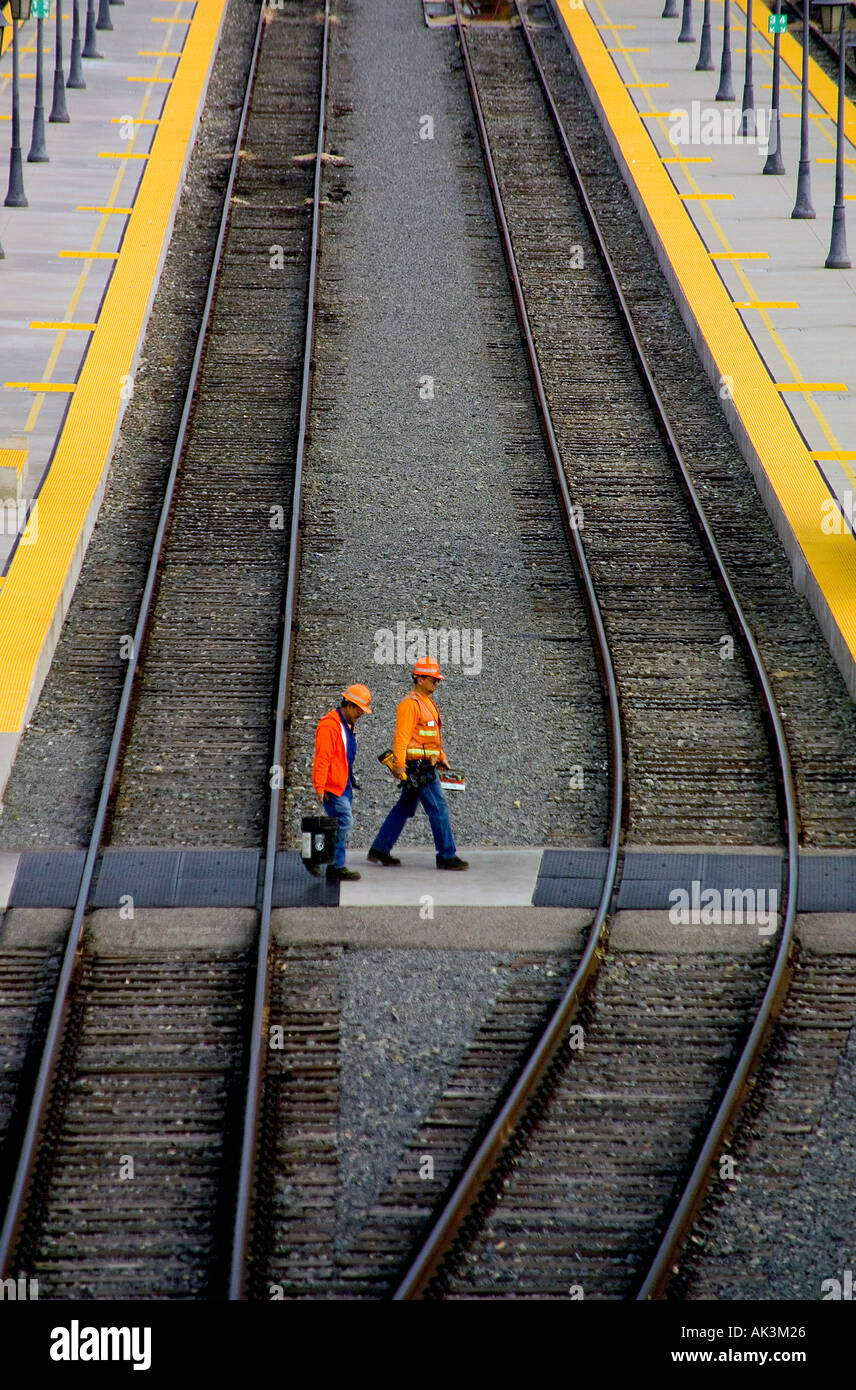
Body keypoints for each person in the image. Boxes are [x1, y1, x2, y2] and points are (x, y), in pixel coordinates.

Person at [368, 657, 468, 870]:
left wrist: (441, 757)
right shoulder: (410, 704)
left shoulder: (426, 703)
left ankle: (379, 849)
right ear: (420, 679)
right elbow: (402, 736)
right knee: (438, 808)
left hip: (424, 764)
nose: (436, 683)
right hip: (418, 768)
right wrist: (399, 764)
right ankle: (446, 856)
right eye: (433, 679)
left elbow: (430, 737)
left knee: (404, 807)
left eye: (437, 680)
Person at [312, 684, 372, 881]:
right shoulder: (330, 726)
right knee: (345, 822)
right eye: (359, 710)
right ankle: (315, 853)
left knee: (338, 824)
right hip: (333, 787)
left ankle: (335, 866)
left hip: (344, 785)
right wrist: (320, 787)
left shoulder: (346, 724)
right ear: (349, 704)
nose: (360, 714)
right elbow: (323, 758)